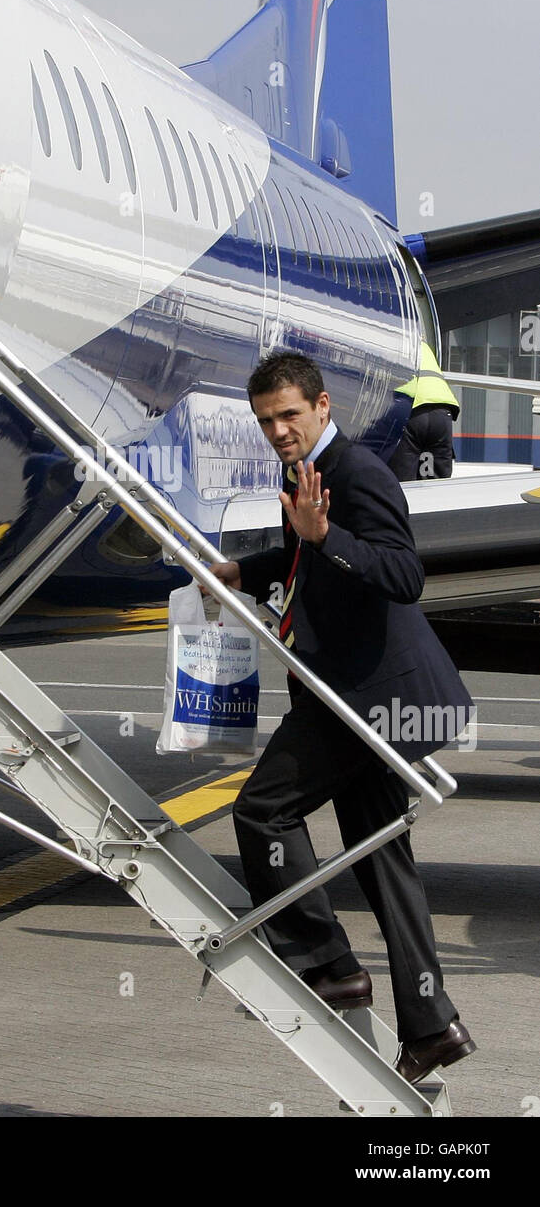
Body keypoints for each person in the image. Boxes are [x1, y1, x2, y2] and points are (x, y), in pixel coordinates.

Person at [210, 351, 476, 1083]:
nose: (277, 431)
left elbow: (403, 573)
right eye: (266, 420)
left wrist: (326, 538)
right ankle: (431, 1025)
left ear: (322, 408)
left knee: (262, 811)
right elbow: (305, 560)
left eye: (289, 415)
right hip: (363, 695)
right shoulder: (301, 475)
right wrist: (254, 569)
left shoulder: (359, 473)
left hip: (375, 698)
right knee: (380, 856)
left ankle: (325, 964)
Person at [388, 340, 460, 481]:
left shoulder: (389, 339)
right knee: (435, 485)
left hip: (412, 410)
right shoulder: (422, 344)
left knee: (403, 485)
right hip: (442, 411)